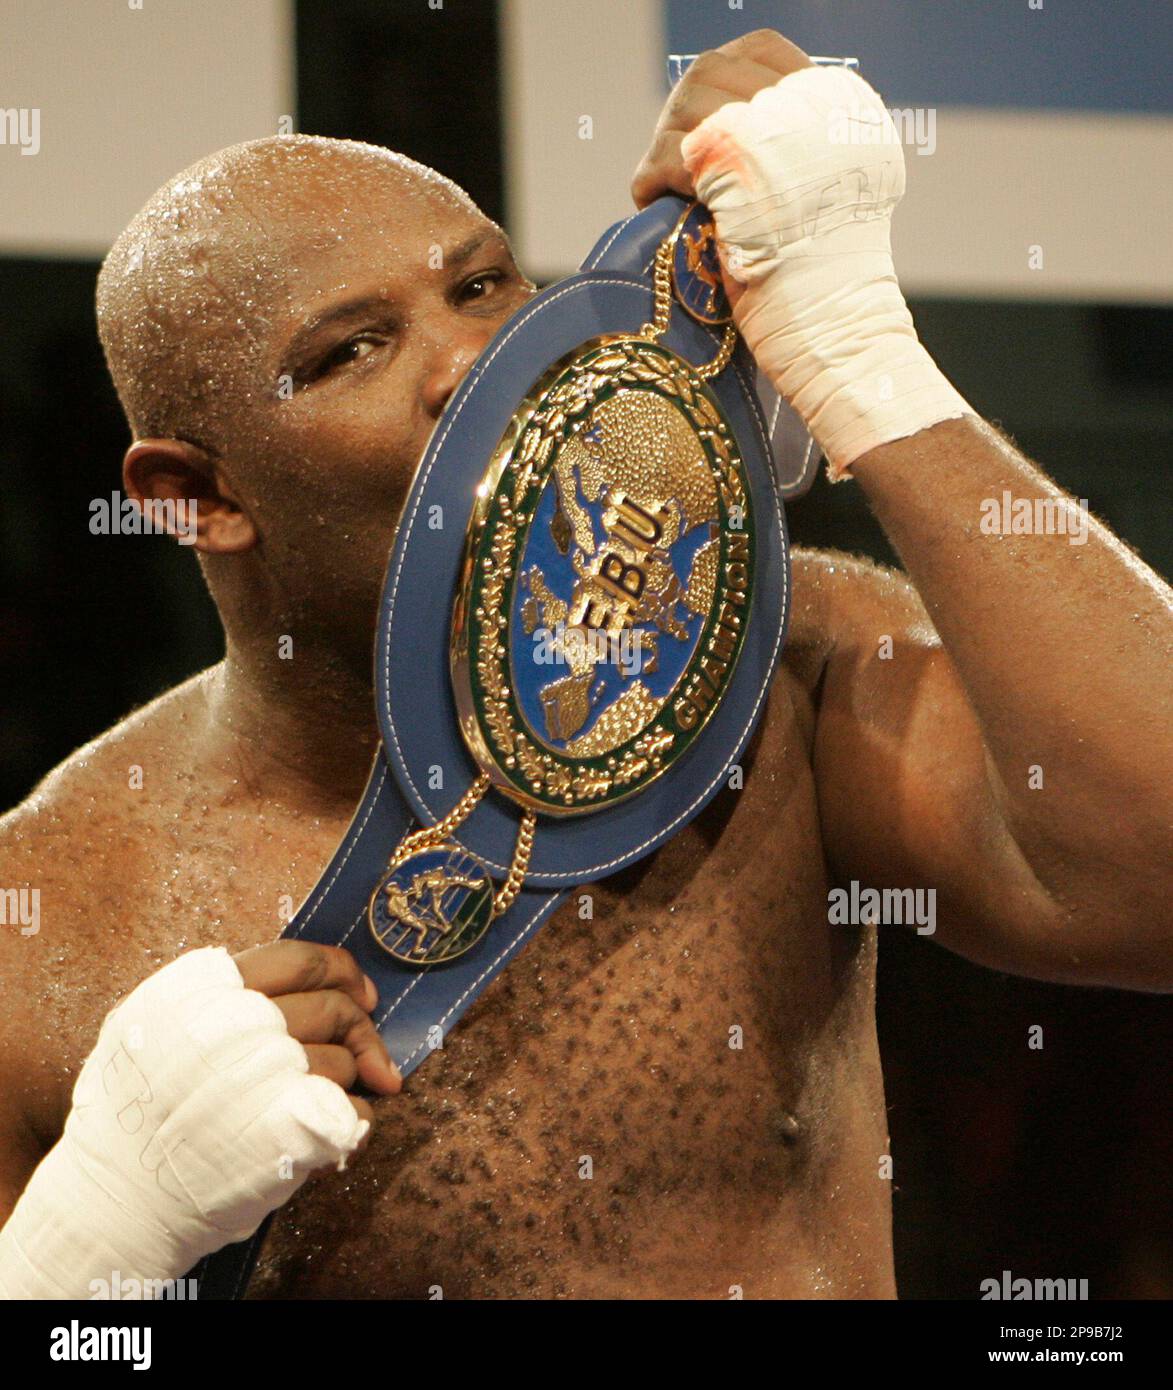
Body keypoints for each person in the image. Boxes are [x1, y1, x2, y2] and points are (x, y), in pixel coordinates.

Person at [0, 29, 1169, 1299]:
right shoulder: (52, 923)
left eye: (485, 289)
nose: (471, 365)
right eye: (353, 349)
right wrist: (88, 1255)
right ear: (195, 497)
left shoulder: (773, 668)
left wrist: (859, 354)